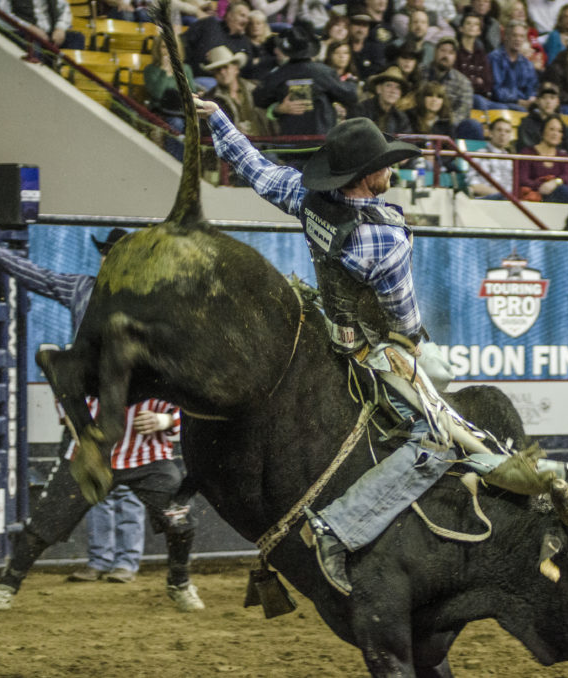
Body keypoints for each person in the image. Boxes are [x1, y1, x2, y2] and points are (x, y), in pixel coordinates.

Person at [193, 101, 453, 596]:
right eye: (384, 164)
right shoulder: (385, 236)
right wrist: (417, 350)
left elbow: (257, 170)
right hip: (375, 352)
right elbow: (405, 321)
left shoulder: (308, 199)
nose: (391, 169)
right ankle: (343, 528)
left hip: (324, 325)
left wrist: (216, 118)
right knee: (437, 437)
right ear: (364, 176)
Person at [0, 229, 203, 613]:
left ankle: (179, 581)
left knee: (180, 518)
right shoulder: (82, 290)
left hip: (146, 445)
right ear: (105, 260)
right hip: (93, 439)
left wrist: (166, 418)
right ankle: (10, 583)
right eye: (111, 255)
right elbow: (38, 276)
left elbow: (183, 371)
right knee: (45, 523)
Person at [253, 23, 360, 138]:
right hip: (320, 143)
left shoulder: (278, 74)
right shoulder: (324, 72)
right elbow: (351, 95)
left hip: (289, 145)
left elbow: (258, 98)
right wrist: (351, 81)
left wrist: (277, 109)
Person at [145, 33, 201, 161]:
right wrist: (165, 71)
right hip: (161, 111)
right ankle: (174, 162)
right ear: (158, 49)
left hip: (183, 110)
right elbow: (157, 94)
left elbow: (192, 91)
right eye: (164, 47)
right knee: (176, 123)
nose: (168, 51)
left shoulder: (185, 69)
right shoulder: (151, 70)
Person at [202, 46, 273, 137]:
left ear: (236, 69)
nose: (222, 72)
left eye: (225, 67)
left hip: (264, 144)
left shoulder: (257, 89)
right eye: (218, 70)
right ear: (214, 75)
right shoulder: (210, 100)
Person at [183, 0, 254, 89]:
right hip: (198, 78)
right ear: (229, 15)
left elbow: (248, 70)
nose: (246, 20)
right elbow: (183, 42)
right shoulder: (209, 24)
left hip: (228, 84)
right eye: (242, 15)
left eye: (247, 17)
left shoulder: (245, 42)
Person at [424, 37, 478, 134]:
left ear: (455, 57)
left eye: (450, 53)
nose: (445, 55)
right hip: (420, 122)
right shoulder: (420, 73)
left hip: (448, 127)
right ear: (435, 52)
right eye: (443, 50)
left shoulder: (463, 82)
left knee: (471, 125)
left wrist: (441, 123)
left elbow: (463, 112)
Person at [518, 116, 568, 203]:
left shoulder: (563, 156)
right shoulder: (528, 153)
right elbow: (523, 179)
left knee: (564, 190)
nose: (555, 134)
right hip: (534, 196)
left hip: (559, 194)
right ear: (543, 131)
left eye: (559, 131)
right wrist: (542, 186)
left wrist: (555, 182)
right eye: (552, 129)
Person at [0, 0, 86, 50]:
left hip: (50, 33)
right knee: (33, 45)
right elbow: (3, 15)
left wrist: (60, 28)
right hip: (23, 33)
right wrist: (29, 28)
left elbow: (64, 8)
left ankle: (70, 79)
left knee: (77, 38)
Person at [489, 21, 540, 110]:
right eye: (514, 35)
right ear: (506, 37)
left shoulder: (527, 64)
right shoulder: (495, 58)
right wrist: (518, 100)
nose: (518, 39)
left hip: (523, 103)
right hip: (500, 104)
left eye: (521, 36)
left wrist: (531, 99)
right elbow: (496, 90)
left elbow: (532, 88)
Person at [465, 117, 516, 198]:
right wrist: (500, 195)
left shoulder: (512, 159)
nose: (503, 134)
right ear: (491, 133)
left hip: (510, 201)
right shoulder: (479, 154)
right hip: (486, 200)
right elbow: (473, 185)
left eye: (507, 131)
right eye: (499, 130)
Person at [354, 66, 413, 135]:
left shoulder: (401, 118)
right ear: (378, 89)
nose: (393, 91)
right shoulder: (362, 109)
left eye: (397, 88)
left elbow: (406, 142)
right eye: (389, 85)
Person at [456, 11, 495, 108]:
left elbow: (487, 82)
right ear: (461, 28)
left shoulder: (481, 54)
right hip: (461, 98)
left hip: (481, 98)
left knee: (514, 109)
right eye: (468, 23)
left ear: (479, 31)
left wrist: (472, 81)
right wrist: (477, 81)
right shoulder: (455, 51)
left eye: (476, 24)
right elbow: (458, 82)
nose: (472, 26)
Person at [517, 82, 566, 150]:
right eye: (544, 97)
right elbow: (526, 149)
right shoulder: (526, 124)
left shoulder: (563, 126)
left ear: (557, 102)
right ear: (537, 101)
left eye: (552, 98)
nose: (548, 101)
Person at [349, 11, 388, 79]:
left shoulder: (375, 49)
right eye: (357, 24)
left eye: (364, 25)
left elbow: (379, 71)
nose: (360, 29)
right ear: (350, 26)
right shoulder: (343, 46)